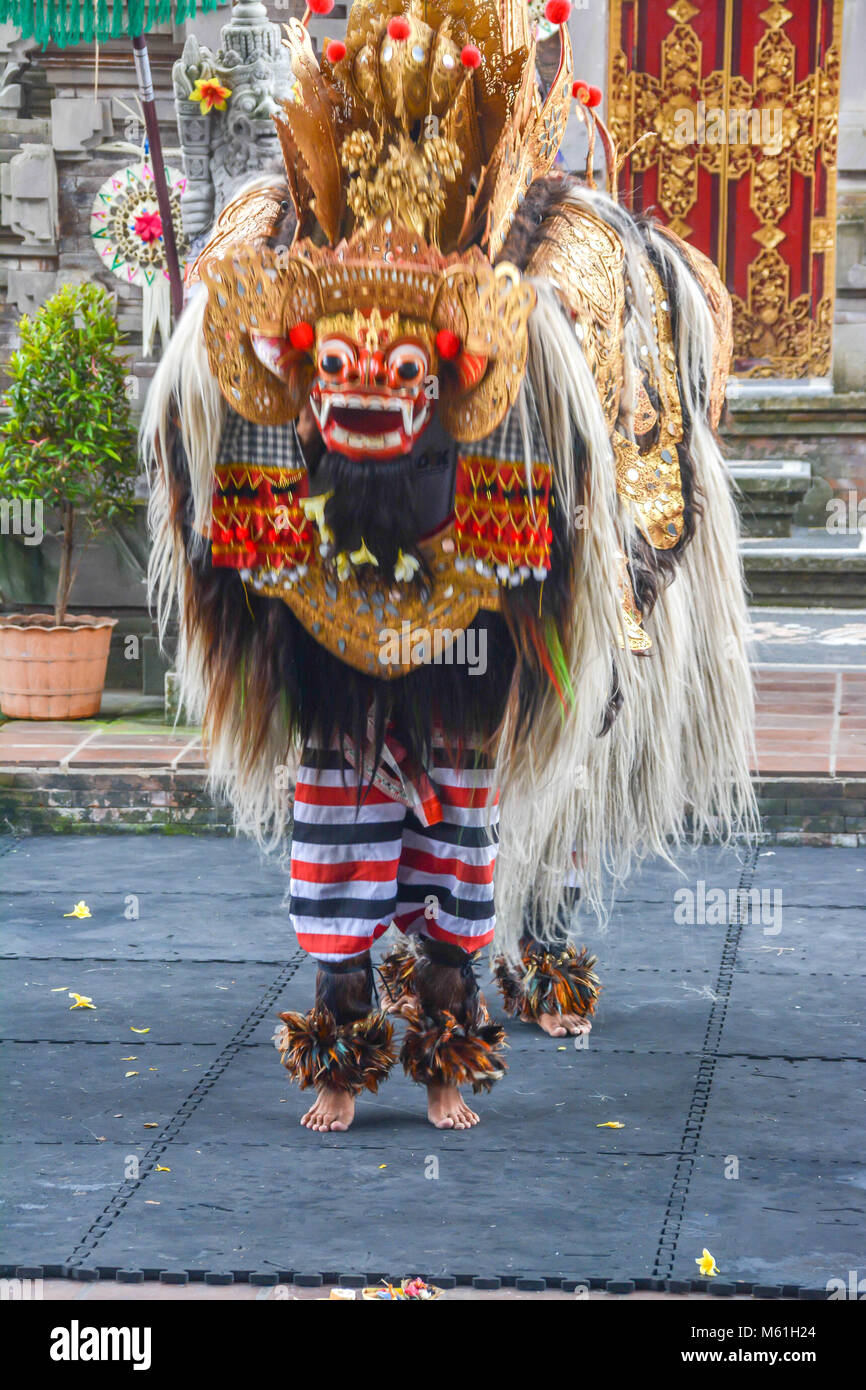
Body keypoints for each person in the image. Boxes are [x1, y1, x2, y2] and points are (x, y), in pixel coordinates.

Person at [144, 0, 755, 1134]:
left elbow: (576, 500)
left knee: (505, 776)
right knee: (338, 826)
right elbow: (214, 430)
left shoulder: (551, 267)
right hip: (326, 598)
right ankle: (344, 1028)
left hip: (489, 571)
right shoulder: (263, 238)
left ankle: (529, 939)